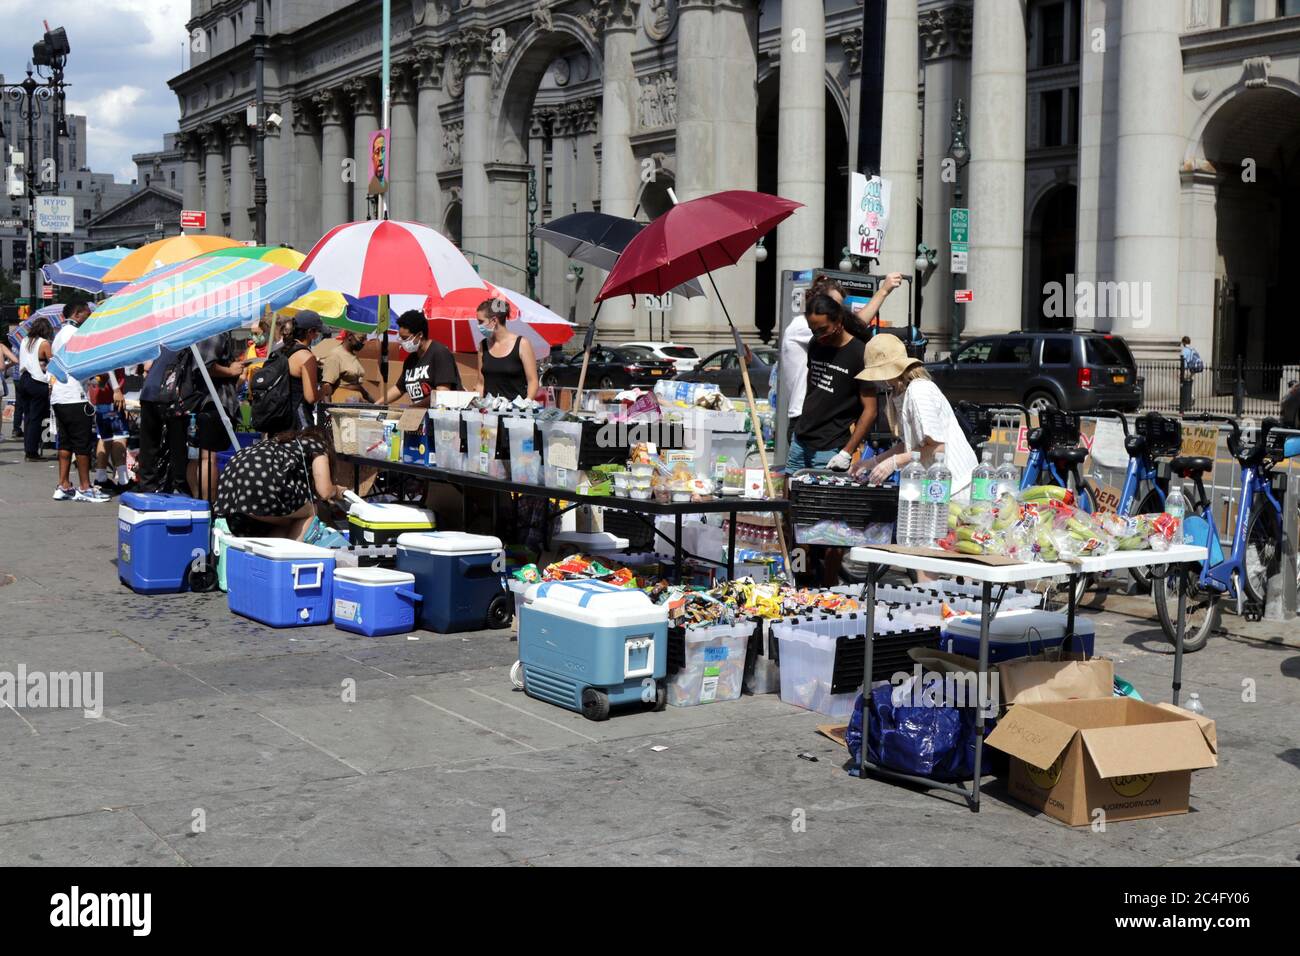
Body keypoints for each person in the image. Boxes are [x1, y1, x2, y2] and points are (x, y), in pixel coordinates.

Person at [852, 334, 978, 502]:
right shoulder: (900, 392)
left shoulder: (919, 391)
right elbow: (913, 444)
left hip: (956, 487)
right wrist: (873, 462)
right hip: (939, 487)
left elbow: (938, 447)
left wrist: (894, 462)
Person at [778, 272, 903, 441]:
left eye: (839, 308)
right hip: (806, 419)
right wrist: (883, 291)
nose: (838, 317)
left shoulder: (826, 337)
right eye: (833, 306)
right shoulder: (802, 326)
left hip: (826, 421)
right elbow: (856, 324)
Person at [786, 294, 877, 472]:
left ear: (838, 321)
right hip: (800, 442)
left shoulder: (859, 354)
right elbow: (812, 389)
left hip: (830, 448)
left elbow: (870, 410)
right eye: (813, 331)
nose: (819, 336)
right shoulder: (815, 344)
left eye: (823, 329)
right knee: (791, 496)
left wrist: (846, 452)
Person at [214, 425, 346, 541]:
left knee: (288, 522)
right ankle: (287, 561)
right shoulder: (317, 444)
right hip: (258, 483)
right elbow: (325, 491)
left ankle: (270, 561)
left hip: (230, 485)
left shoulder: (284, 442)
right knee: (311, 510)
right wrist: (337, 491)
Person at [49, 301, 110, 502]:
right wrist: (97, 375)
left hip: (60, 396)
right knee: (82, 444)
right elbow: (82, 363)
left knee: (65, 442)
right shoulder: (75, 334)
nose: (89, 318)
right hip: (75, 397)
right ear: (77, 314)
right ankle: (85, 487)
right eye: (87, 314)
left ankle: (63, 484)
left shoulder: (59, 334)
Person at [185, 331, 245, 500]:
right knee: (207, 458)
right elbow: (206, 365)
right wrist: (230, 370)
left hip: (201, 404)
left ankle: (200, 503)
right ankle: (209, 505)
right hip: (212, 403)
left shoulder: (203, 330)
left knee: (197, 457)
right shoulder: (215, 332)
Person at [136, 347, 187, 493]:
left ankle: (147, 485)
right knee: (178, 444)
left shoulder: (165, 341)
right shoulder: (188, 342)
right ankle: (179, 486)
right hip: (170, 394)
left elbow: (147, 366)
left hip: (149, 391)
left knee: (149, 444)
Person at [386, 309, 461, 406]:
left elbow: (442, 392)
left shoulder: (440, 353)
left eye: (405, 338)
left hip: (439, 416)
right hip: (419, 415)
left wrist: (415, 407)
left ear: (420, 335)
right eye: (401, 338)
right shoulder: (411, 359)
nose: (402, 342)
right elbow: (399, 388)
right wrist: (377, 404)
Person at [476, 297, 538, 400]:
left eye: (481, 321)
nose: (479, 325)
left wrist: (526, 403)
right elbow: (480, 383)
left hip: (515, 411)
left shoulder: (522, 344)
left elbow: (533, 381)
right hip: (489, 411)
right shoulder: (483, 346)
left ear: (494, 320)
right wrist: (478, 403)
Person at [16, 319, 54, 462]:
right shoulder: (44, 343)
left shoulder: (25, 341)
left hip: (24, 379)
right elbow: (52, 362)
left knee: (28, 416)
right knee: (36, 418)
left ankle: (28, 448)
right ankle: (32, 452)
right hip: (37, 382)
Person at [88, 368, 130, 489]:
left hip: (101, 399)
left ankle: (101, 477)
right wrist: (116, 389)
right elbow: (108, 366)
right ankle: (123, 481)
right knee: (119, 437)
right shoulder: (111, 350)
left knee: (104, 438)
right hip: (111, 398)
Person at [282, 311, 324, 428]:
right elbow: (310, 398)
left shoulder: (283, 350)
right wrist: (325, 389)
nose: (318, 335)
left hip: (280, 417)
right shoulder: (306, 357)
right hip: (298, 420)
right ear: (310, 332)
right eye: (317, 331)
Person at [318, 330, 377, 403]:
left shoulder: (352, 355)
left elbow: (358, 386)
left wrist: (375, 403)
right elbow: (327, 386)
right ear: (350, 336)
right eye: (361, 339)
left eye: (365, 339)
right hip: (341, 402)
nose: (364, 342)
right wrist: (328, 409)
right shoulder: (336, 355)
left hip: (355, 402)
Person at [1180, 335, 1204, 411]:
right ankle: (1190, 397)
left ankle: (1189, 399)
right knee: (1189, 384)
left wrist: (1182, 370)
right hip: (1193, 370)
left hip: (1187, 369)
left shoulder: (1185, 350)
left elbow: (1183, 360)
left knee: (1184, 385)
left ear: (1183, 342)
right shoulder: (1192, 349)